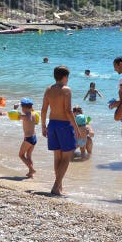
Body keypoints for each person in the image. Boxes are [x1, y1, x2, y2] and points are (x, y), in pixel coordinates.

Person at [41, 66, 84, 196]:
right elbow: (68, 111)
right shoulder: (66, 90)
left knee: (57, 157)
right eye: (68, 77)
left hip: (52, 124)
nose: (68, 79)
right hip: (64, 125)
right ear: (65, 77)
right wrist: (76, 128)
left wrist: (43, 126)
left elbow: (44, 109)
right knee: (66, 157)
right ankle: (56, 187)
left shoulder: (49, 89)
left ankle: (59, 186)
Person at [18, 98, 37, 178]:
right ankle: (30, 173)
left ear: (24, 107)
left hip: (28, 139)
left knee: (21, 155)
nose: (21, 109)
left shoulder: (25, 116)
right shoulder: (34, 114)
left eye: (22, 107)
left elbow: (14, 115)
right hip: (34, 138)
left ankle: (31, 169)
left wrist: (14, 108)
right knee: (29, 156)